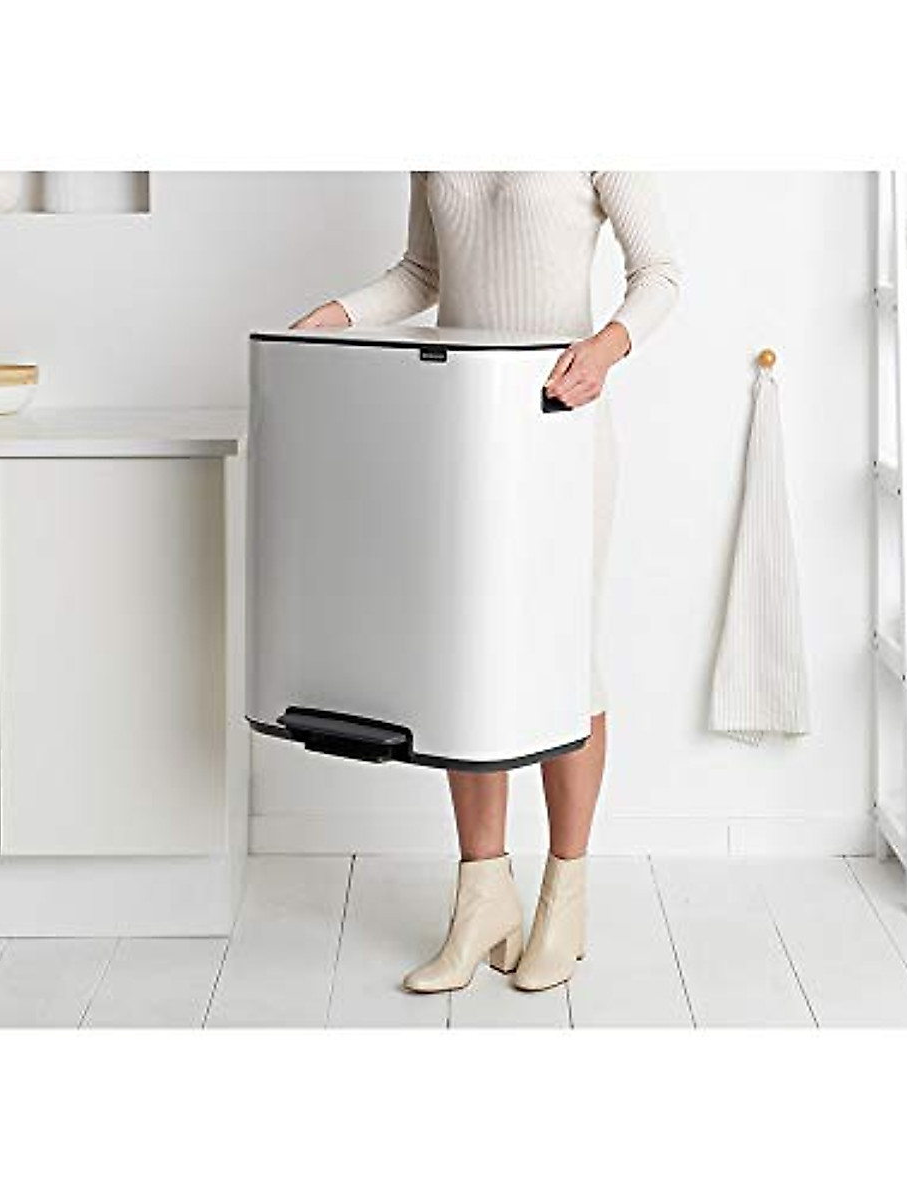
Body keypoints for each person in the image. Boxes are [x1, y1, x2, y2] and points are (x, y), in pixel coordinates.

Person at [294, 172, 680, 993]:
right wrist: (336, 317)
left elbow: (658, 274)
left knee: (565, 659)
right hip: (457, 424)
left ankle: (564, 900)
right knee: (463, 658)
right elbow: (423, 272)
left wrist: (606, 348)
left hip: (558, 427)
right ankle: (483, 900)